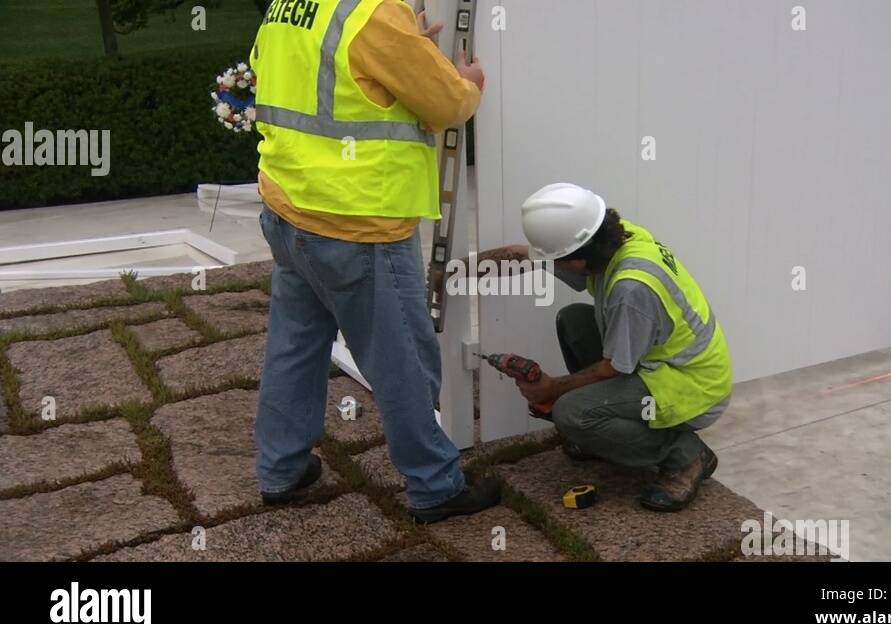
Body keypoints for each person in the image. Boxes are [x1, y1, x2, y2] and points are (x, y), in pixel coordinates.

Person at [250, 0, 500, 524]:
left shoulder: (289, 5)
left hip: (288, 208)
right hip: (357, 224)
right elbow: (446, 102)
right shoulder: (374, 13)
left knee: (294, 345)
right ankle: (434, 485)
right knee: (403, 359)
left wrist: (409, 49)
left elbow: (328, 79)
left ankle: (282, 470)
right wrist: (469, 80)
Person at [476, 183, 733, 512]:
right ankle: (608, 435)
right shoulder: (616, 235)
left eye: (559, 260)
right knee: (574, 321)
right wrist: (458, 269)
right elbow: (520, 254)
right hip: (661, 361)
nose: (554, 265)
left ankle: (686, 457)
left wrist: (552, 390)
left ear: (578, 260)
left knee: (571, 412)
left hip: (693, 386)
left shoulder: (632, 288)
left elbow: (615, 367)